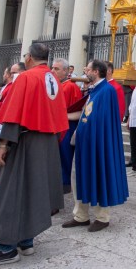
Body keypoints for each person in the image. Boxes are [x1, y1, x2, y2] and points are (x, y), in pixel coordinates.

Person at [0, 43, 68, 266]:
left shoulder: (26, 78)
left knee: (11, 191)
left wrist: (3, 143)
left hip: (25, 139)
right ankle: (26, 240)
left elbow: (14, 111)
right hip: (47, 142)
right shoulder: (53, 79)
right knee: (34, 190)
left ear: (29, 58)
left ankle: (6, 247)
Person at [63, 59, 128, 233]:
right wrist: (62, 116)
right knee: (78, 177)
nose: (85, 71)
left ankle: (102, 217)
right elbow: (85, 112)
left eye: (88, 69)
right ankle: (81, 216)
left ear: (96, 72)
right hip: (84, 143)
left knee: (99, 175)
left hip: (97, 144)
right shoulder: (94, 90)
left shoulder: (107, 91)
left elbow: (102, 121)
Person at [53, 57, 85, 193]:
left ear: (66, 71)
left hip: (66, 128)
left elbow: (77, 108)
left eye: (56, 69)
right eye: (53, 68)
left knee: (65, 156)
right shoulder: (57, 85)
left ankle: (65, 182)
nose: (52, 71)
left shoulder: (71, 86)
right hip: (57, 126)